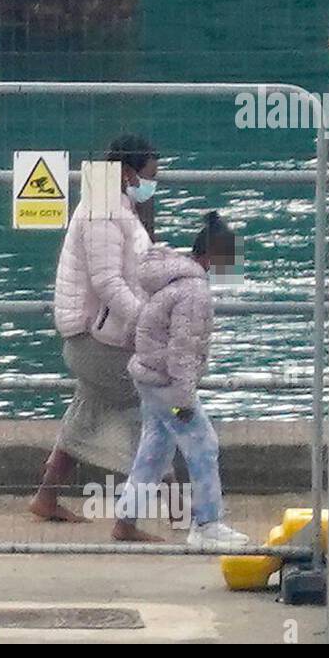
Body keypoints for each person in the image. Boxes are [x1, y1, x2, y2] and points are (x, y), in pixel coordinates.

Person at [29, 134, 158, 522]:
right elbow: (107, 282)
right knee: (155, 406)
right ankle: (162, 509)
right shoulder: (104, 210)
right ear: (125, 172)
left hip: (98, 334)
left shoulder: (112, 205)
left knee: (87, 412)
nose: (149, 186)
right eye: (146, 177)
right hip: (97, 337)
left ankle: (46, 496)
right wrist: (146, 320)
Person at [112, 212, 250, 549]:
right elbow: (185, 350)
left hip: (148, 376)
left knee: (155, 448)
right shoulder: (195, 292)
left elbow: (137, 323)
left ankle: (126, 520)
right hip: (166, 385)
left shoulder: (166, 278)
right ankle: (207, 523)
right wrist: (184, 400)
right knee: (203, 444)